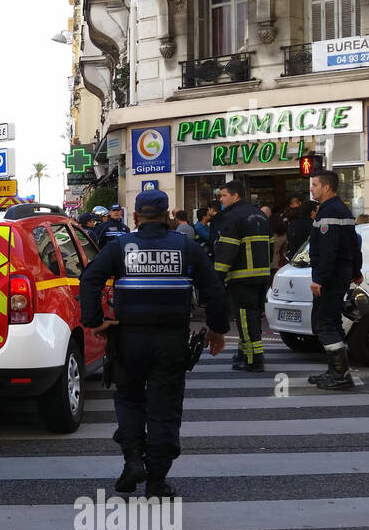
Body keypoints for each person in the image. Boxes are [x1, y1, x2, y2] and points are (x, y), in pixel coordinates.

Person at [80, 189, 229, 498]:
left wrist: (96, 321)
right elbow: (213, 291)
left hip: (128, 340)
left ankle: (134, 459)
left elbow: (90, 279)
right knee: (164, 409)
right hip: (171, 342)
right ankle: (157, 480)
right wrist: (216, 330)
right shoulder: (186, 248)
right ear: (168, 218)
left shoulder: (120, 247)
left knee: (130, 399)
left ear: (136, 217)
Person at [307, 170, 364, 390]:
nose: (311, 188)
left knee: (325, 324)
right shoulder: (343, 210)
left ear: (326, 187)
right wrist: (355, 270)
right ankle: (337, 371)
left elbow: (328, 250)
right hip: (340, 273)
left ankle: (340, 375)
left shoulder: (329, 212)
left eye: (314, 185)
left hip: (330, 277)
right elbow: (353, 244)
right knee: (333, 322)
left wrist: (319, 279)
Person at [213, 180, 273, 372]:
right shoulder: (261, 216)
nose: (221, 200)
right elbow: (270, 245)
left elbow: (227, 251)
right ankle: (244, 353)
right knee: (252, 318)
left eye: (223, 196)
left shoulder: (232, 217)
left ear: (235, 195)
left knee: (245, 319)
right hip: (262, 276)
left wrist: (217, 277)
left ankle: (252, 360)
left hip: (242, 277)